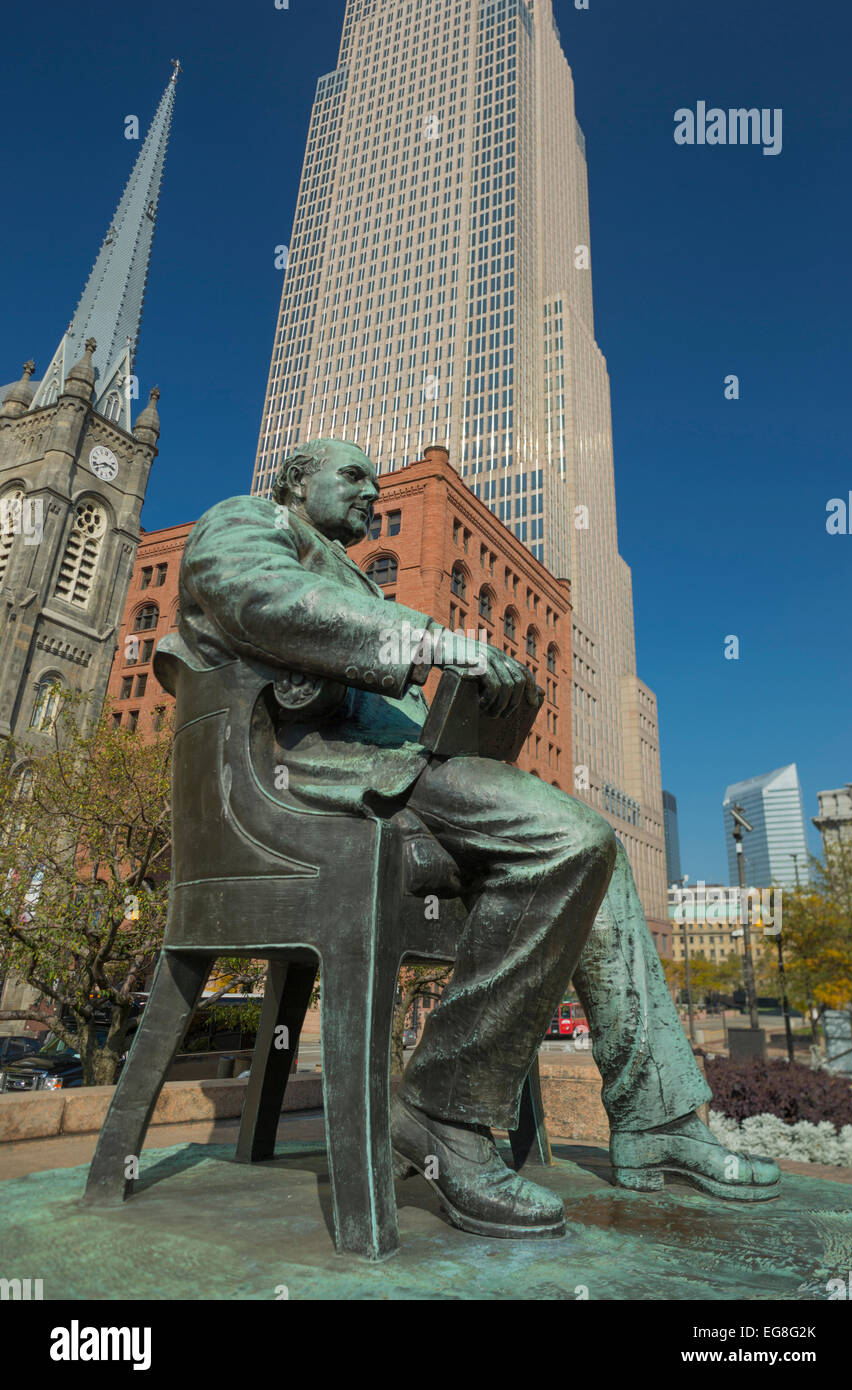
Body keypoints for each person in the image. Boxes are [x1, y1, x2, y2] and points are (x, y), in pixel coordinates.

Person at [177, 437, 780, 1239]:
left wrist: (474, 719)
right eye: (353, 477)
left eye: (376, 482)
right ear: (294, 482)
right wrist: (428, 642)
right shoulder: (245, 522)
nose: (370, 492)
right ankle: (440, 1115)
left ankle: (657, 1122)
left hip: (396, 777)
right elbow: (256, 599)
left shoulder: (353, 570)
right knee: (569, 836)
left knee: (594, 854)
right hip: (303, 786)